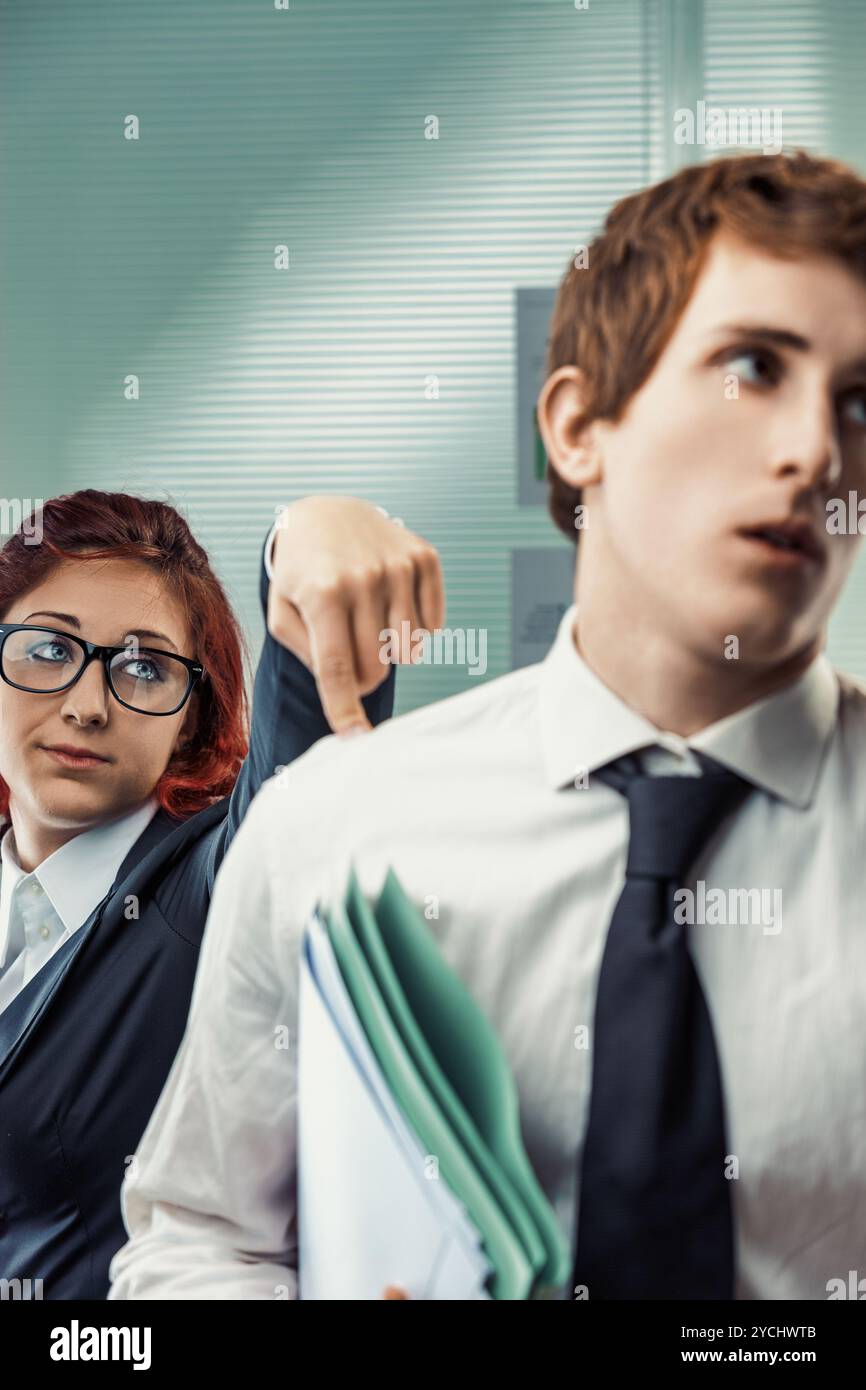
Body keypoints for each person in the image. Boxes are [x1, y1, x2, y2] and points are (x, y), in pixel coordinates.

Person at [108, 149, 866, 1301]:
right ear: (577, 426)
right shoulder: (333, 826)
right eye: (751, 366)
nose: (814, 451)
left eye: (858, 403)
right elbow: (201, 1241)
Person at [0, 488, 443, 1299]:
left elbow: (298, 775)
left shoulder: (217, 883)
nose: (87, 705)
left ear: (192, 717)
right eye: (49, 650)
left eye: (144, 667)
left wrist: (304, 536)